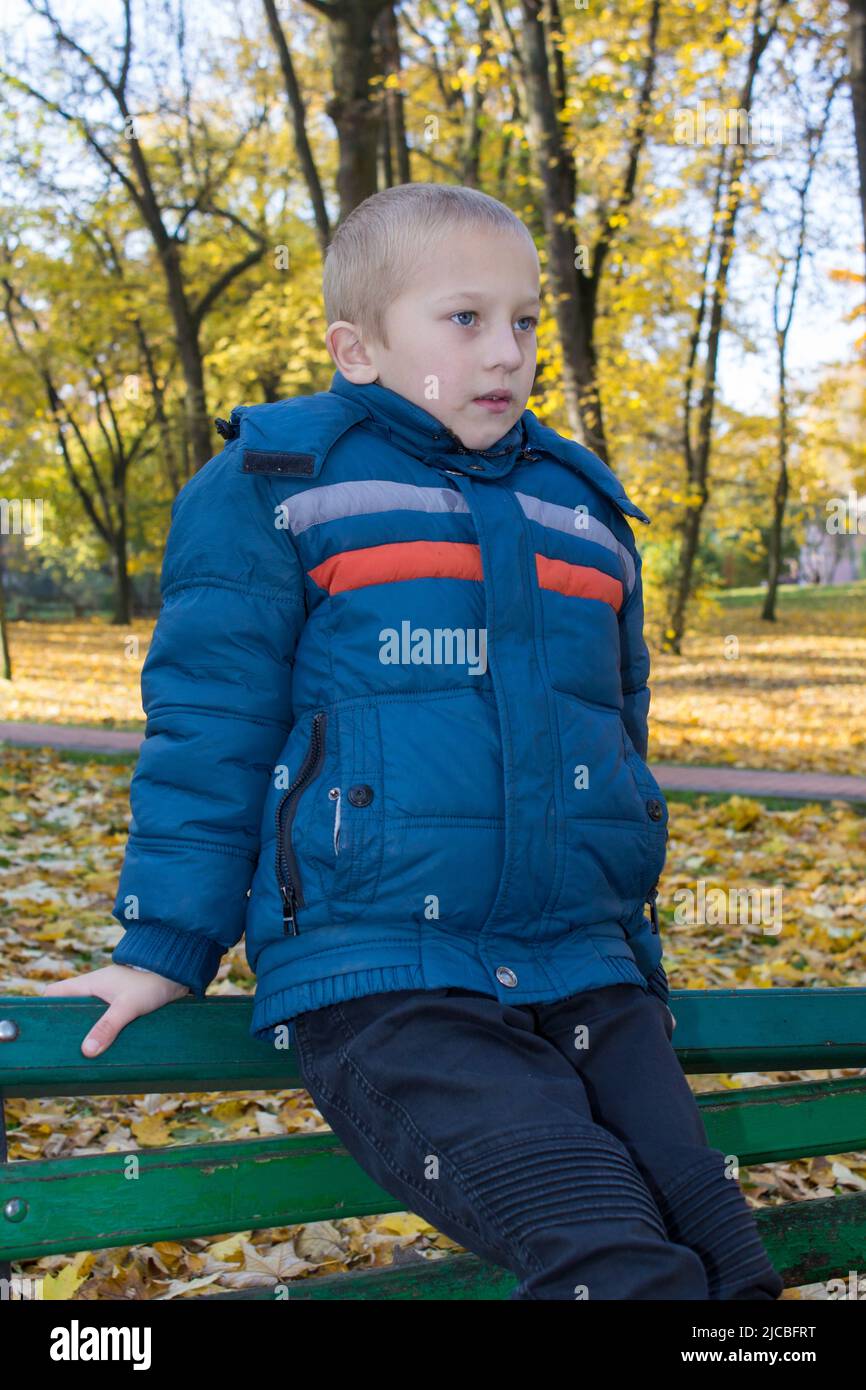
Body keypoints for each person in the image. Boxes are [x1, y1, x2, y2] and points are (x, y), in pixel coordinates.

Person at [41, 183, 783, 1301]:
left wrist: (635, 956)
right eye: (464, 318)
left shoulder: (578, 508)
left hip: (585, 975)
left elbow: (611, 755)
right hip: (387, 980)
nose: (507, 351)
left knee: (725, 1267)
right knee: (616, 1263)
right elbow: (210, 726)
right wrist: (163, 945)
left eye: (526, 321)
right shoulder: (278, 485)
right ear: (357, 346)